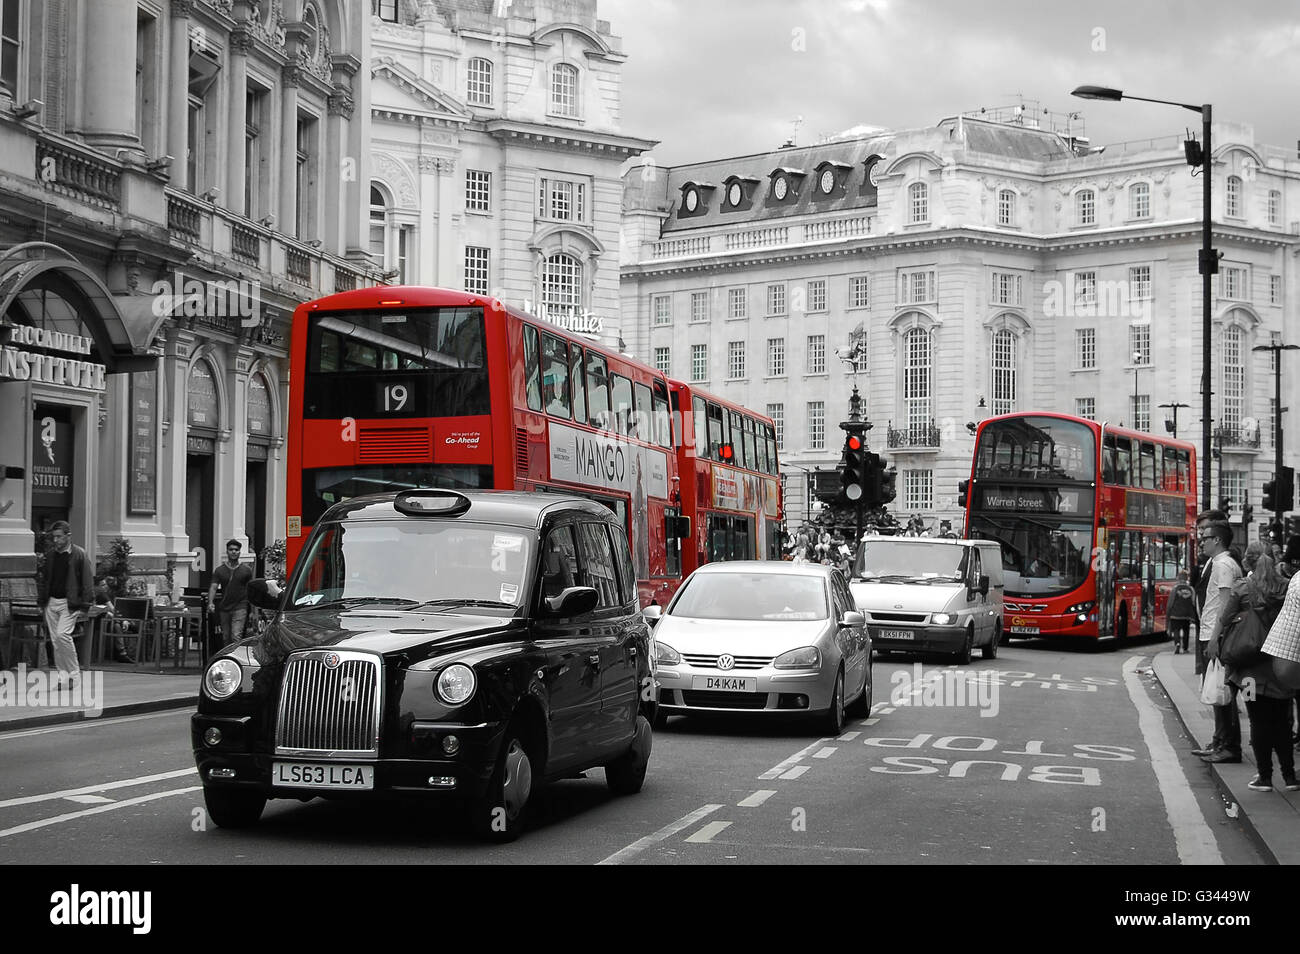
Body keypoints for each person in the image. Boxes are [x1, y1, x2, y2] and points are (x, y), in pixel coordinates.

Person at [1211, 550, 1297, 791]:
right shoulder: (1287, 588)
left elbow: (1225, 618)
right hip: (1281, 666)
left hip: (1249, 671)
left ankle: (1265, 776)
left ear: (1248, 563)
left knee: (1258, 721)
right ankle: (1290, 776)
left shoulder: (1243, 588)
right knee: (1282, 721)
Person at [1193, 520, 1244, 763]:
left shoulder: (1223, 565)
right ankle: (1219, 741)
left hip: (1217, 636)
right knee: (1215, 691)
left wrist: (1214, 639)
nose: (1202, 541)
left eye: (1205, 537)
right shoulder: (1218, 563)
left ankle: (1229, 746)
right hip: (1211, 634)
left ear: (1218, 540)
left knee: (1222, 692)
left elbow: (1224, 604)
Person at [36, 521, 95, 688]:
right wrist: (42, 601)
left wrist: (85, 605)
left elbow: (87, 581)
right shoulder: (50, 555)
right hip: (51, 601)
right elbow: (45, 579)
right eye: (54, 537)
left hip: (69, 603)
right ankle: (63, 677)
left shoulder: (79, 554)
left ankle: (74, 674)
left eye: (59, 537)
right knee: (56, 641)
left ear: (68, 536)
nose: (56, 540)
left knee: (63, 635)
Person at [209, 539, 253, 647]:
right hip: (224, 607)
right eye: (231, 549)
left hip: (240, 606)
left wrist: (252, 610)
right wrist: (210, 602)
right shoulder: (219, 570)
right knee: (226, 637)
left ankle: (236, 659)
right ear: (227, 551)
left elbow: (251, 590)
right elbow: (213, 587)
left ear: (240, 552)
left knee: (236, 635)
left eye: (236, 550)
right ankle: (229, 660)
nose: (233, 552)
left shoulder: (246, 570)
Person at [1167, 569, 1196, 654]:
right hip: (1186, 615)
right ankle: (1185, 648)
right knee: (1186, 631)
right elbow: (1193, 602)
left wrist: (1168, 613)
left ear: (1179, 578)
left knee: (1176, 630)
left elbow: (1170, 603)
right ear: (1187, 578)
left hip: (1175, 614)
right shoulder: (1191, 589)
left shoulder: (1175, 589)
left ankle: (1177, 643)